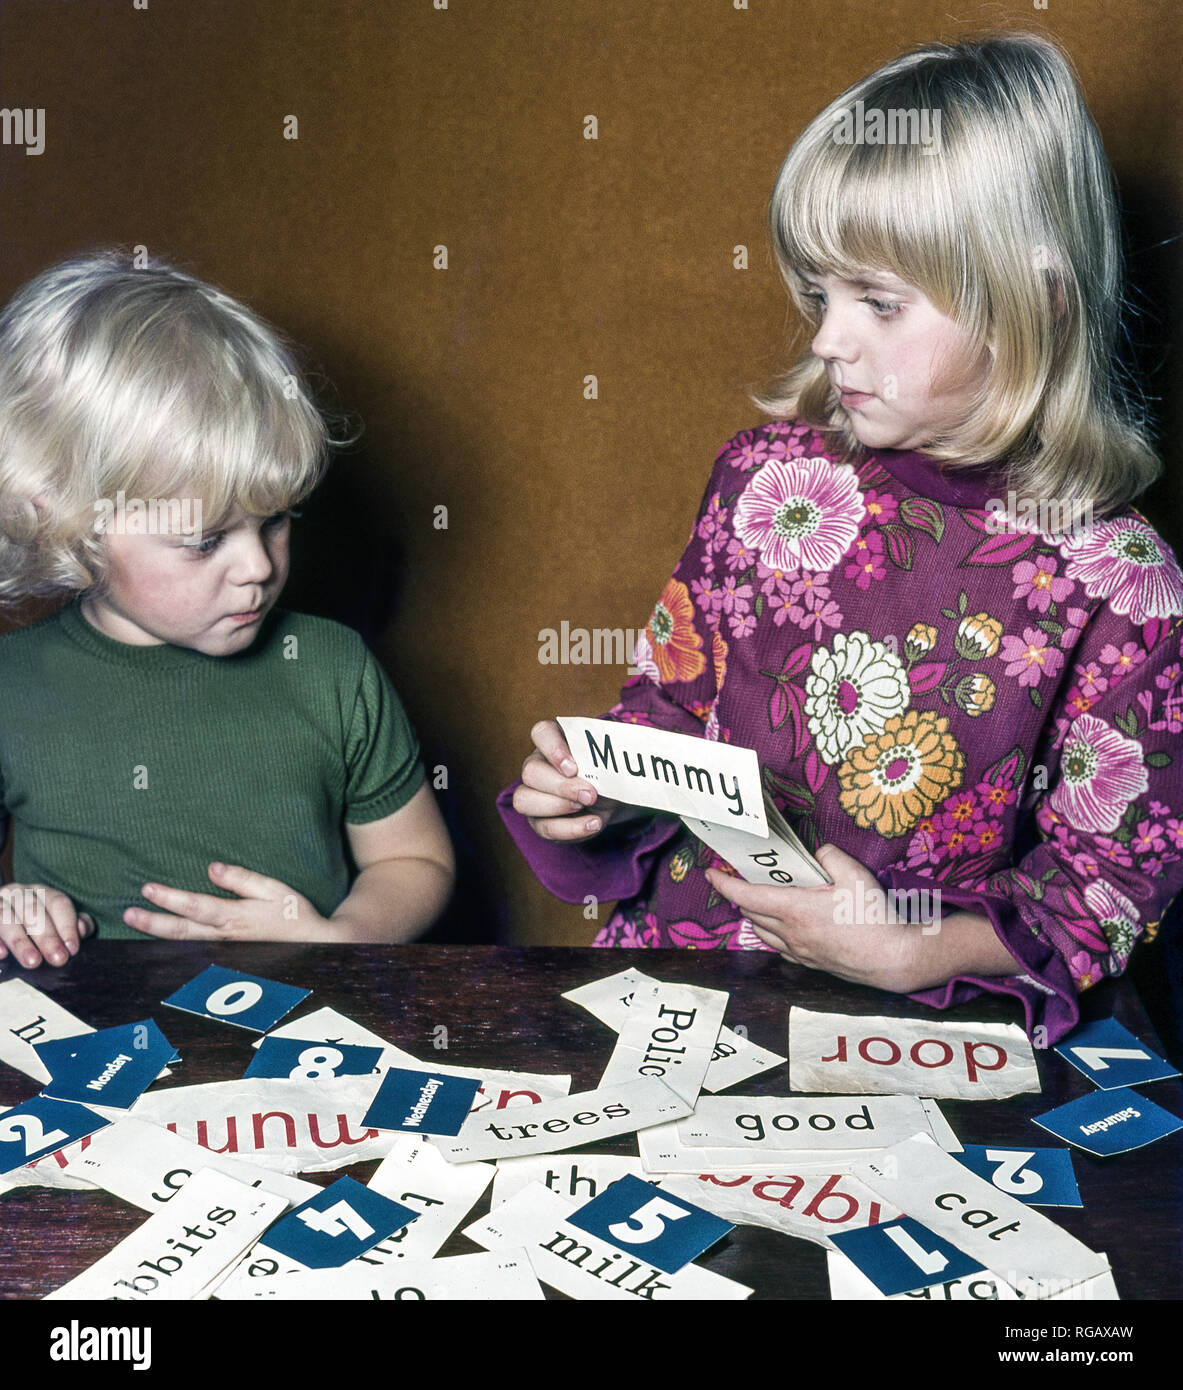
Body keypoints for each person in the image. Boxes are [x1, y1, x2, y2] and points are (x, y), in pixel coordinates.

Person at [499, 33, 1183, 1042]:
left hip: (922, 1031)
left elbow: (1112, 886)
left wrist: (916, 948)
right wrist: (594, 786)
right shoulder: (763, 478)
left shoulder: (1118, 581)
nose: (825, 338)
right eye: (821, 293)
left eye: (878, 302)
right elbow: (668, 705)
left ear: (1032, 301)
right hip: (684, 987)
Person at [0, 250, 454, 965]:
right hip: (98, 1052)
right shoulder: (10, 687)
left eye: (275, 520)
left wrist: (341, 938)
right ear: (73, 525)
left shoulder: (332, 668)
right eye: (205, 540)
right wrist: (16, 913)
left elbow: (414, 863)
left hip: (309, 1035)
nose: (259, 567)